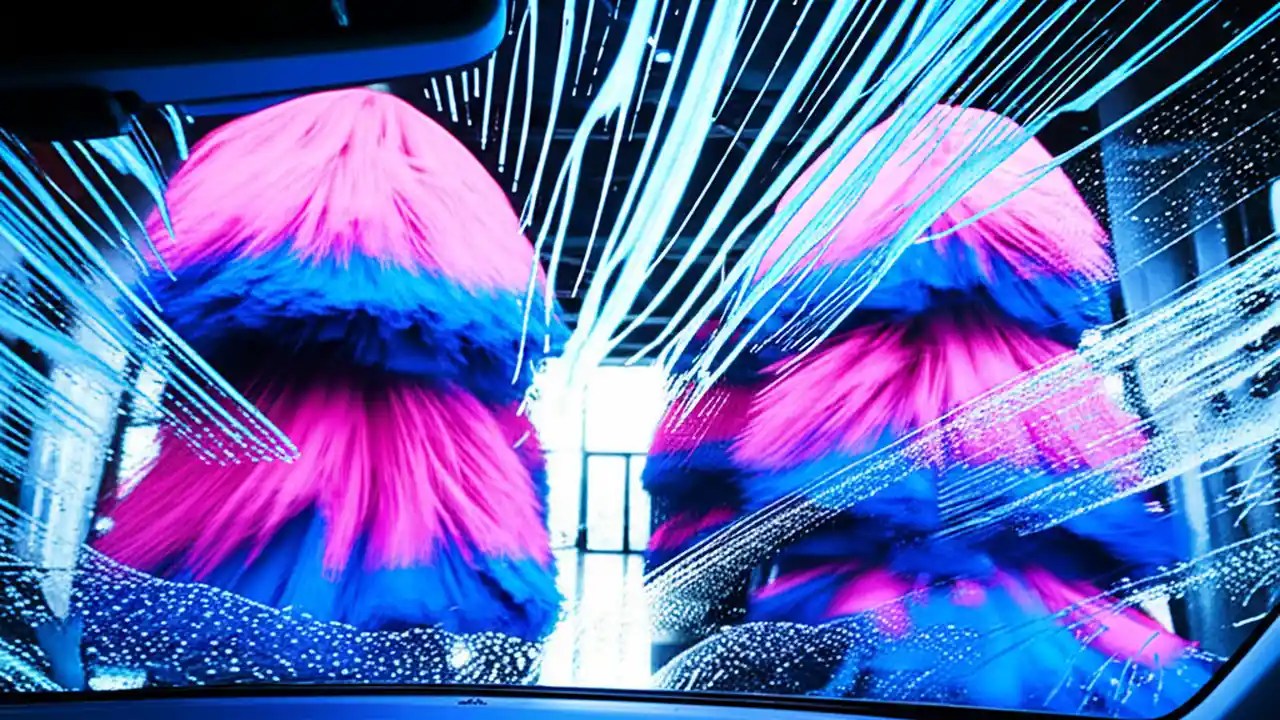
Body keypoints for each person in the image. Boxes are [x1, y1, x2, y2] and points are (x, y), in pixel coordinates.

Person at [647, 105, 1214, 714]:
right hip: (1057, 635)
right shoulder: (1055, 386)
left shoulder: (786, 362)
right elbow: (1110, 535)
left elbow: (693, 508)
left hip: (842, 624)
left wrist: (698, 628)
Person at [94, 88, 565, 644]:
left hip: (284, 426)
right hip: (411, 439)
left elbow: (208, 315)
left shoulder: (275, 156)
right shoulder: (434, 177)